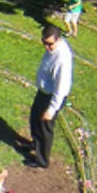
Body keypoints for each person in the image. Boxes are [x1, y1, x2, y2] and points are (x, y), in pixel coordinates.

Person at [28, 24, 73, 169]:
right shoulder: (53, 49)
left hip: (52, 96)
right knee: (34, 118)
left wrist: (51, 109)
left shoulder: (62, 59)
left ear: (58, 40)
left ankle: (42, 160)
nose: (46, 47)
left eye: (50, 44)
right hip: (44, 92)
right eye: (44, 42)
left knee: (44, 127)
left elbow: (62, 87)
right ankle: (35, 144)